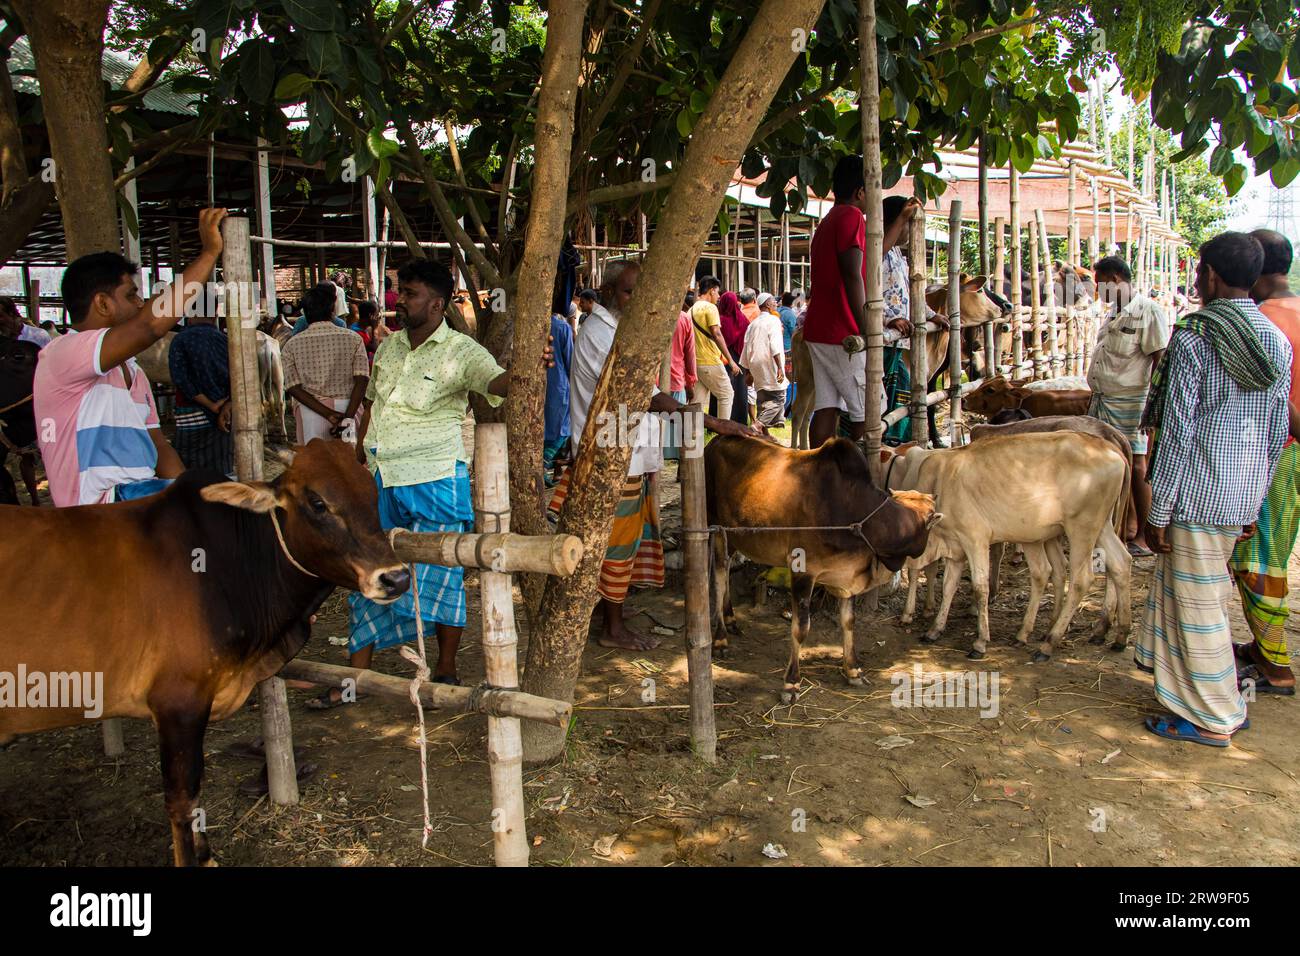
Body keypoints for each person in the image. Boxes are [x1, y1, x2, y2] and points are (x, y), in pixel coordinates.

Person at [314, 259, 542, 705]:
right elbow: (375, 406)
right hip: (382, 478)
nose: (400, 301)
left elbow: (498, 381)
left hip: (435, 477)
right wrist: (359, 459)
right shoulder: (390, 348)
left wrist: (529, 368)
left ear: (437, 304)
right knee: (368, 566)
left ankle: (447, 669)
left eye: (411, 294)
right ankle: (354, 681)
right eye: (401, 292)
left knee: (442, 571)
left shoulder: (462, 350)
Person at [551, 260, 762, 650]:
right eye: (629, 292)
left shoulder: (616, 330)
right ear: (610, 292)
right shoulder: (600, 333)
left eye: (639, 293)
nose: (636, 301)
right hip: (611, 453)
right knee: (614, 543)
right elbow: (641, 394)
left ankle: (609, 613)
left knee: (620, 540)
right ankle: (612, 629)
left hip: (624, 451)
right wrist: (712, 423)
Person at [1136, 231, 1290, 747]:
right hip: (1241, 490)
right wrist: (1255, 498)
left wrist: (1157, 508)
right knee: (1202, 596)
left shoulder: (1197, 336)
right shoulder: (1273, 339)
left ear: (1212, 276)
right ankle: (1199, 694)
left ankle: (1213, 716)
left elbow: (1176, 430)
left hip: (1197, 493)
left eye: (1199, 270)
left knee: (1199, 605)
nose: (1196, 278)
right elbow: (1274, 432)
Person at [33, 208, 226, 507]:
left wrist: (188, 499)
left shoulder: (133, 372)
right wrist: (210, 252)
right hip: (98, 512)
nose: (140, 304)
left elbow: (159, 446)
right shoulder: (62, 353)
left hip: (140, 503)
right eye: (132, 295)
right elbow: (150, 326)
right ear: (102, 303)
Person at [1229, 229, 1300, 696]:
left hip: (1280, 451)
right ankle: (1261, 646)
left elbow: (1272, 401)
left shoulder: (1263, 324)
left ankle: (1276, 668)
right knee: (1272, 552)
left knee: (1257, 558)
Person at [805, 156, 918, 447]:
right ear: (860, 192)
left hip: (820, 329)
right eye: (874, 190)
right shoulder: (851, 218)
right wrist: (868, 326)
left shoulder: (831, 219)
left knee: (827, 406)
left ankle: (822, 474)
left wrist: (901, 219)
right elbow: (853, 274)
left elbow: (870, 257)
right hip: (842, 332)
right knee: (870, 411)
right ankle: (857, 477)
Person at [1086, 255, 1172, 556]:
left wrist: (1155, 404)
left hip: (1133, 400)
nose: (1099, 291)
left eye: (1102, 284)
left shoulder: (1148, 311)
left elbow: (1160, 358)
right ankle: (1124, 527)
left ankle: (1146, 536)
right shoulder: (1114, 314)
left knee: (1136, 465)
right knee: (1109, 464)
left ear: (1116, 279)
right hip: (1104, 400)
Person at [281, 282, 370, 445]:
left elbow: (293, 387)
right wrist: (348, 418)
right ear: (332, 311)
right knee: (348, 459)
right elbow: (362, 379)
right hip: (349, 407)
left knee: (317, 463)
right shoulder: (353, 339)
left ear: (305, 313)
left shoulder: (292, 345)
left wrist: (328, 414)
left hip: (311, 412)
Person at [879, 195, 936, 445]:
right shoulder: (877, 250)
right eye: (905, 224)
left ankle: (893, 446)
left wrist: (932, 315)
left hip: (897, 341)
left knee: (900, 391)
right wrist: (888, 319)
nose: (909, 232)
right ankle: (882, 447)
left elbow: (910, 294)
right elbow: (867, 290)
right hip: (881, 337)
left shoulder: (897, 255)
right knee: (880, 397)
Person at [167, 306, 233, 475]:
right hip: (225, 417)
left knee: (189, 474)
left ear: (190, 313)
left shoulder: (180, 340)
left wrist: (210, 405)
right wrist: (226, 404)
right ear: (216, 314)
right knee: (219, 472)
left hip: (191, 418)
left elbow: (182, 380)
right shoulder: (226, 340)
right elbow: (239, 376)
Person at [689, 275, 741, 420]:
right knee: (726, 395)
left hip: (696, 362)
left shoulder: (692, 309)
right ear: (712, 291)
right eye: (717, 292)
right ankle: (723, 436)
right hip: (710, 360)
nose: (718, 296)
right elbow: (717, 333)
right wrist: (731, 361)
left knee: (696, 403)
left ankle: (690, 439)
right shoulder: (710, 308)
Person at [741, 292, 788, 428]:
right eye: (773, 301)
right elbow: (775, 345)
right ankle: (758, 426)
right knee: (779, 398)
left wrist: (748, 371)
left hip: (754, 363)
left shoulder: (753, 324)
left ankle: (766, 433)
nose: (776, 303)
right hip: (770, 363)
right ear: (767, 304)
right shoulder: (773, 320)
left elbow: (746, 346)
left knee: (763, 399)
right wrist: (779, 367)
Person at [663, 289, 699, 464]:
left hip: (653, 385)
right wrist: (691, 381)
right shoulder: (684, 318)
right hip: (677, 381)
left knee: (654, 437)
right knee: (682, 431)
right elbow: (690, 353)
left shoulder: (650, 317)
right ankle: (682, 470)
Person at [544, 309, 574, 485]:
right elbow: (570, 359)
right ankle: (544, 464)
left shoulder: (531, 323)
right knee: (563, 428)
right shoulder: (562, 327)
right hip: (559, 383)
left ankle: (547, 468)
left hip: (538, 384)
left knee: (546, 427)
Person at [717, 290, 750, 424]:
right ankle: (740, 420)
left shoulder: (720, 320)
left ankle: (720, 420)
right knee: (740, 388)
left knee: (722, 388)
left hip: (723, 358)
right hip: (740, 357)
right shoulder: (743, 319)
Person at [778, 291, 799, 414]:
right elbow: (794, 333)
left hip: (778, 349)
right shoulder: (790, 314)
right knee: (790, 380)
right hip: (788, 350)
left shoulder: (778, 311)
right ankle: (787, 409)